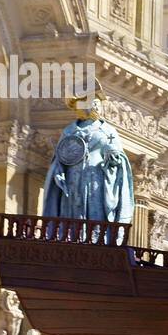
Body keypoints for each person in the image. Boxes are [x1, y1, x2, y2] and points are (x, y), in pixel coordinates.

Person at [42, 90, 134, 233]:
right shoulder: (69, 131)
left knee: (95, 209)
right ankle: (72, 234)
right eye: (94, 103)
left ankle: (97, 236)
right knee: (73, 207)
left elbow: (119, 159)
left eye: (98, 104)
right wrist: (59, 170)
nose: (97, 107)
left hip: (97, 178)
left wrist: (114, 157)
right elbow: (60, 157)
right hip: (74, 178)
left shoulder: (108, 131)